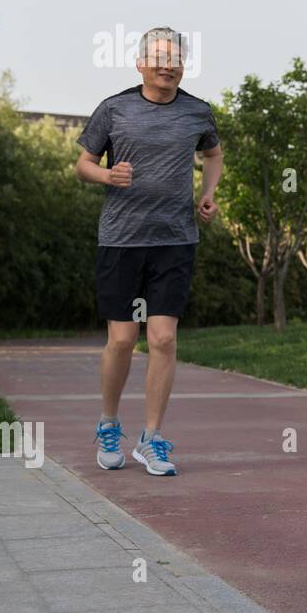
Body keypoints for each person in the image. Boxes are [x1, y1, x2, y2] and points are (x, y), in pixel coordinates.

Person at [75, 26, 223, 477]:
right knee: (122, 339)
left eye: (176, 58)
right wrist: (106, 177)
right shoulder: (114, 109)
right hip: (121, 240)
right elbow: (83, 163)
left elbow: (213, 155)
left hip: (175, 239)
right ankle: (108, 423)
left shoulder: (198, 112)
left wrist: (208, 191)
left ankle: (152, 438)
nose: (168, 65)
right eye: (160, 58)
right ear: (140, 64)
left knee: (162, 338)